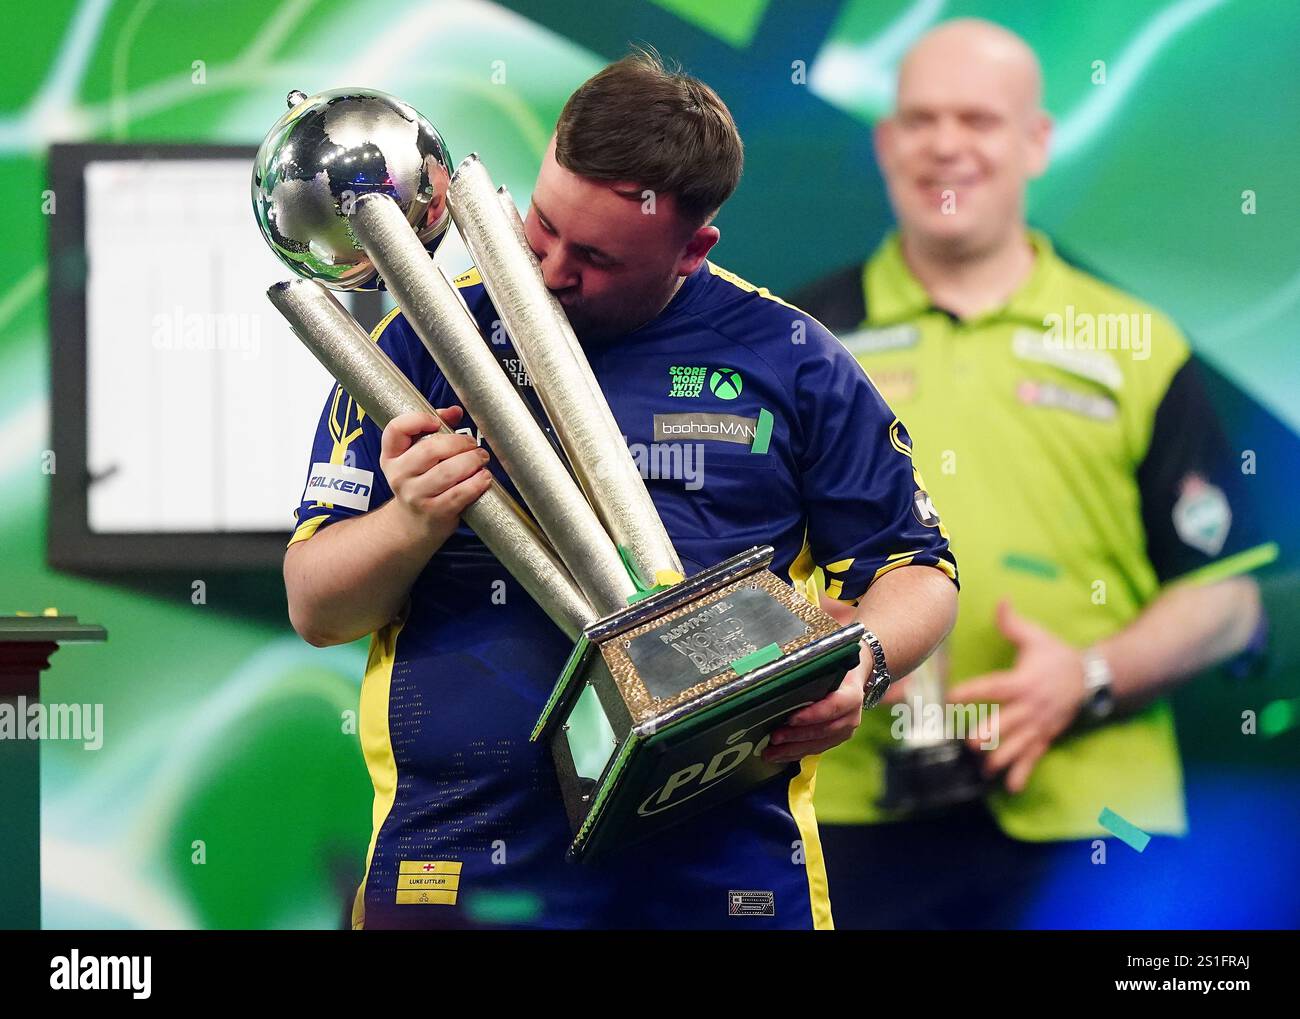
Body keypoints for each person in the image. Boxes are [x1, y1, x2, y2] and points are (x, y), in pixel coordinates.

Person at [284, 50, 959, 930]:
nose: (551, 270)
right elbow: (317, 607)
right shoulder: (420, 340)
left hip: (724, 882)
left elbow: (919, 571)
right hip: (454, 876)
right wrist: (411, 519)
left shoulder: (793, 360)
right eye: (539, 227)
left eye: (596, 256)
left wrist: (862, 666)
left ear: (694, 247)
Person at [794, 18, 1275, 929]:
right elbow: (726, 573)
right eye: (921, 119)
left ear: (1036, 141)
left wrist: (1089, 677)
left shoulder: (1138, 342)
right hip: (847, 815)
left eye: (978, 120)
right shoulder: (797, 340)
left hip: (1099, 819)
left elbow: (1229, 601)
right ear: (886, 142)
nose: (946, 145)